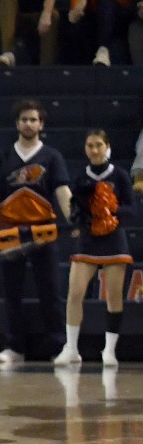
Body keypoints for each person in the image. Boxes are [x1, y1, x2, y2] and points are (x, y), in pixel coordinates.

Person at [0, 100, 73, 367]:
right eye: (24, 119)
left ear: (41, 124)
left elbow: (62, 192)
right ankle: (14, 347)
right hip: (9, 232)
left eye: (34, 119)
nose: (29, 124)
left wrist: (75, 220)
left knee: (50, 291)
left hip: (42, 232)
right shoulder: (3, 156)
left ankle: (59, 347)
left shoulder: (52, 157)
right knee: (12, 293)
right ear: (17, 124)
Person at [59, 128, 132, 366]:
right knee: (75, 293)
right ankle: (71, 348)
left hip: (113, 239)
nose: (94, 150)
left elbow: (133, 209)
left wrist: (111, 210)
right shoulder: (81, 177)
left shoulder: (119, 175)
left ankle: (109, 350)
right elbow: (74, 210)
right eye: (90, 145)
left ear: (107, 147)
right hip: (88, 240)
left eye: (98, 145)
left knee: (113, 296)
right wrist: (81, 218)